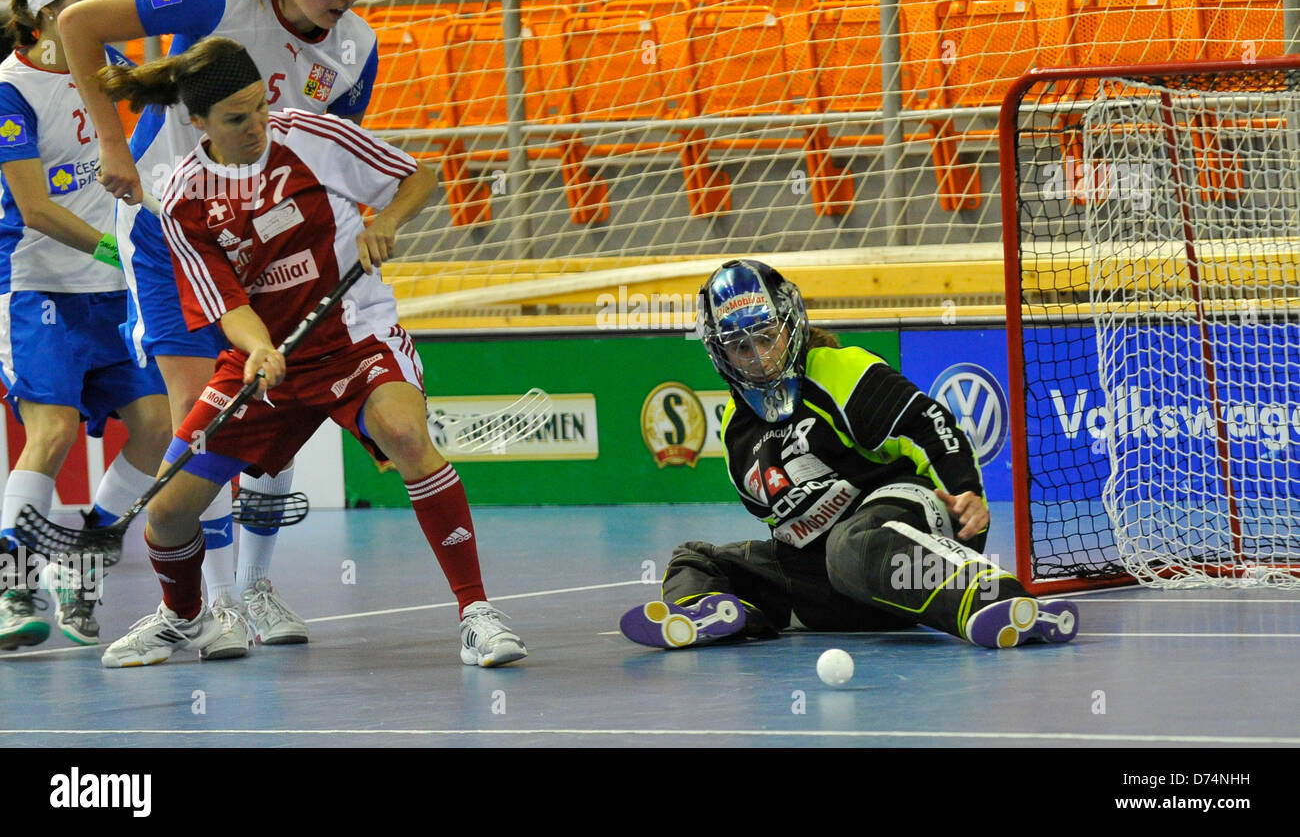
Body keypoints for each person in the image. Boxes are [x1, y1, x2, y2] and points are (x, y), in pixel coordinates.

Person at [92, 36, 528, 669]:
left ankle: (477, 613)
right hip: (268, 362)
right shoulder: (185, 199)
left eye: (259, 109)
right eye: (235, 120)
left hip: (353, 335)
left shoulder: (313, 136)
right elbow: (226, 304)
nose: (255, 128)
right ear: (198, 124)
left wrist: (386, 222)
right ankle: (182, 617)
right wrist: (260, 347)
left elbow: (418, 178)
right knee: (168, 510)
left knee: (406, 433)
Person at [59, 0, 381, 658]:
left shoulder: (356, 47)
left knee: (275, 405)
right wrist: (112, 142)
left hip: (270, 246)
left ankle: (250, 590)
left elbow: (337, 154)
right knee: (199, 416)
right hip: (174, 232)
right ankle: (192, 606)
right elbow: (79, 27)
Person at [619, 259, 1080, 651]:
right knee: (698, 559)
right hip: (836, 577)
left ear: (790, 325)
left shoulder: (839, 371)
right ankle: (707, 615)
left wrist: (965, 489)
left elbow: (930, 420)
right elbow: (782, 528)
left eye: (765, 336)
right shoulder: (735, 431)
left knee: (850, 544)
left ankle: (997, 601)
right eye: (741, 346)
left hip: (917, 520)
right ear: (721, 354)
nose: (758, 357)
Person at [0, 0, 171, 649]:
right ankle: (13, 587)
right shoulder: (10, 89)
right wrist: (114, 250)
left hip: (113, 291)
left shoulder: (112, 75)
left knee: (158, 425)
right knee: (55, 432)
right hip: (36, 282)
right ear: (49, 12)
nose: (109, 8)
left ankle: (86, 555)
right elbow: (35, 208)